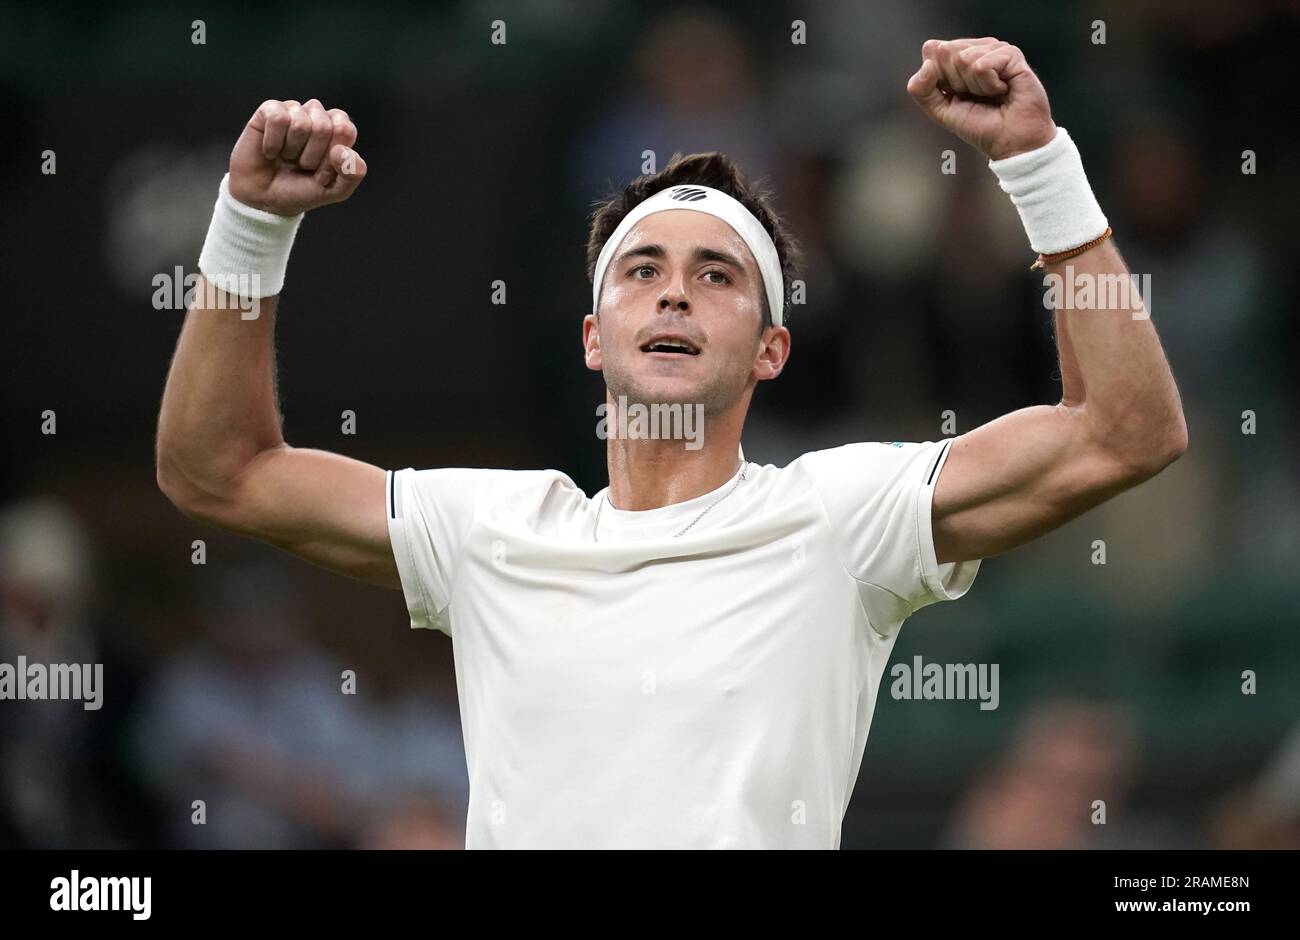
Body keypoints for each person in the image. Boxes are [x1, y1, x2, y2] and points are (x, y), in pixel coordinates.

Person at [155, 37, 1187, 848]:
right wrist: (249, 223)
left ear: (770, 350)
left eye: (717, 274)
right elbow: (218, 470)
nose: (675, 292)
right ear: (596, 338)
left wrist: (1037, 164)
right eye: (641, 268)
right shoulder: (486, 526)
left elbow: (1124, 432)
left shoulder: (838, 516)